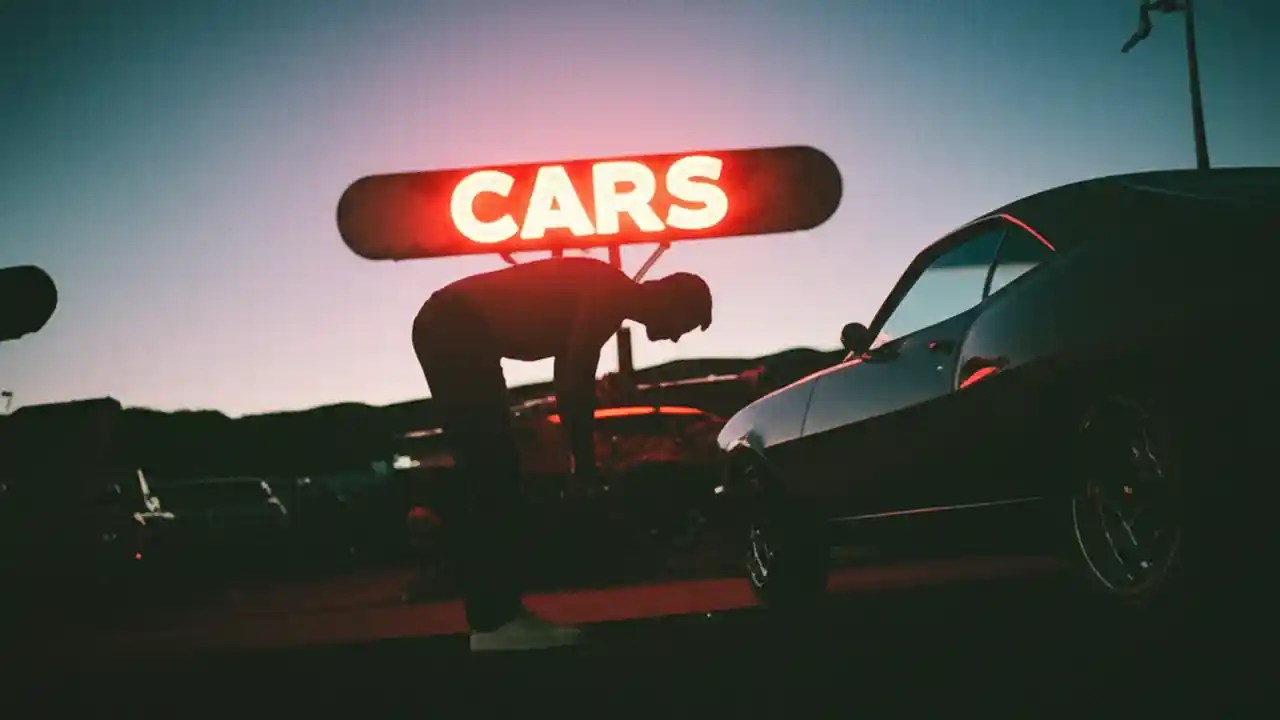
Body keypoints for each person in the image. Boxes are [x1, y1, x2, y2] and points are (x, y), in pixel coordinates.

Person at [411, 256, 712, 652]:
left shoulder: (609, 294)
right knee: (492, 474)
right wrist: (584, 466)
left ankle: (497, 617)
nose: (675, 338)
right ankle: (494, 622)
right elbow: (573, 385)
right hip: (452, 324)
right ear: (673, 300)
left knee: (493, 472)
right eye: (683, 326)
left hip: (452, 325)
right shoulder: (610, 293)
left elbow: (568, 379)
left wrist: (581, 460)